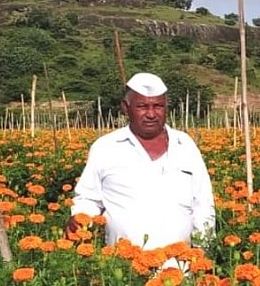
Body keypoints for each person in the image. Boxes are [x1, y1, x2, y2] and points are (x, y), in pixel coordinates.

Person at [66, 72, 216, 257]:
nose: (151, 114)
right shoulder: (106, 148)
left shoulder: (185, 145)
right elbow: (89, 198)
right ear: (125, 107)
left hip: (180, 270)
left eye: (158, 106)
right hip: (124, 270)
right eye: (142, 106)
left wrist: (203, 255)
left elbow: (203, 204)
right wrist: (81, 217)